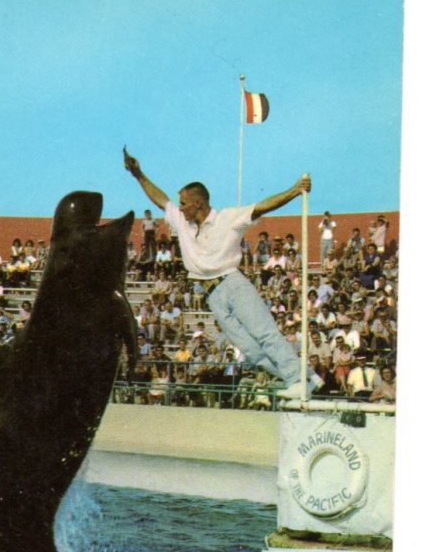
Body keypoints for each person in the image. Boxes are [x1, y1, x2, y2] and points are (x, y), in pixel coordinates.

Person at [123, 149, 316, 398]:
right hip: (211, 294)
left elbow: (263, 206)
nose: (179, 208)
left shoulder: (228, 218)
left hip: (233, 283)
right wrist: (138, 174)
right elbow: (159, 199)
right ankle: (307, 378)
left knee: (265, 333)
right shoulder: (182, 222)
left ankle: (296, 378)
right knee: (251, 349)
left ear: (197, 203)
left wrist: (295, 189)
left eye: (183, 203)